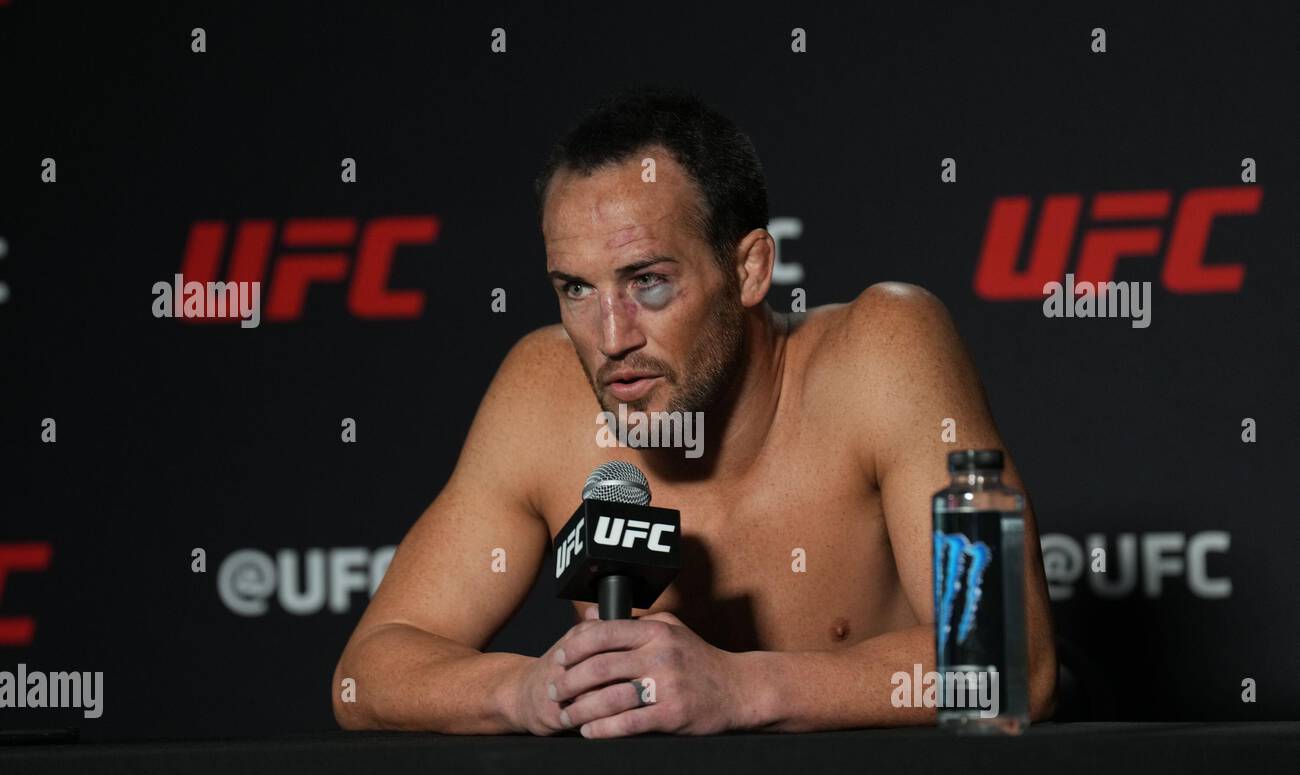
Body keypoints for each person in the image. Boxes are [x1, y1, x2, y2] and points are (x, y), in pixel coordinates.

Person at [332, 87, 1057, 736]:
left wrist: (742, 687)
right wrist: (526, 691)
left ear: (749, 269)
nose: (611, 339)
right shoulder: (541, 391)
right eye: (576, 289)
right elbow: (367, 674)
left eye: (647, 281)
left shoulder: (879, 352)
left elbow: (1009, 663)